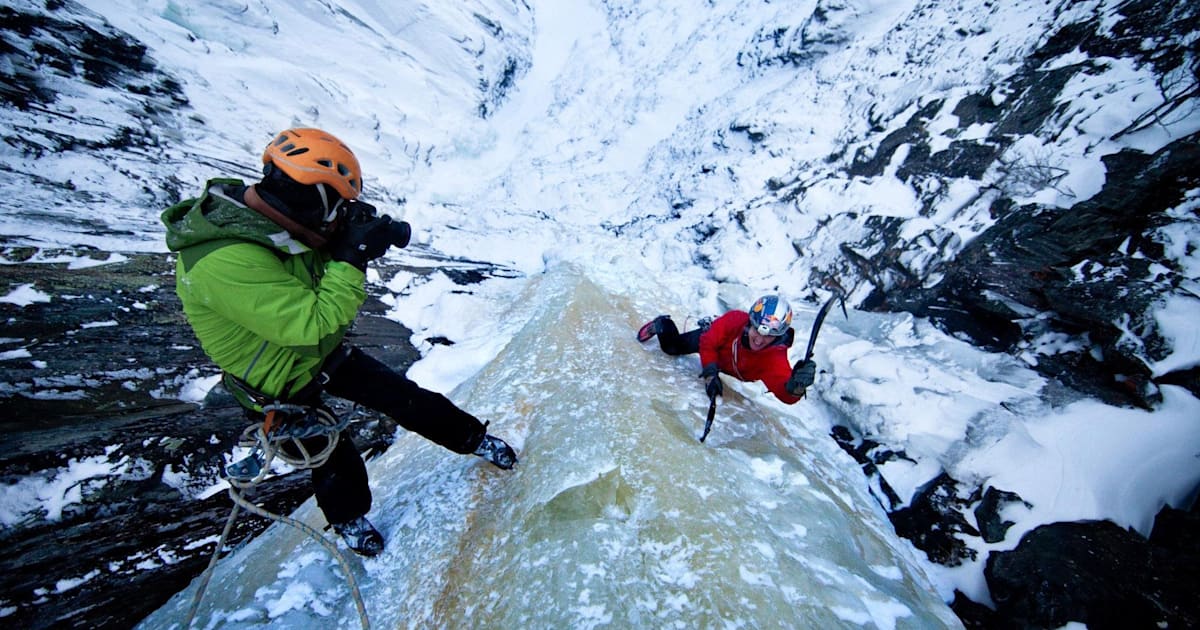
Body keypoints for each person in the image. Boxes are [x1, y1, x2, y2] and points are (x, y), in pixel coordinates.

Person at [162, 127, 517, 557]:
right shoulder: (224, 260)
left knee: (403, 396)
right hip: (278, 381)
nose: (334, 219)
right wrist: (350, 257)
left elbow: (307, 263)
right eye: (334, 209)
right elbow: (311, 322)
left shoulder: (263, 224)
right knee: (331, 456)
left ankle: (473, 438)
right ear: (308, 199)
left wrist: (352, 239)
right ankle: (348, 517)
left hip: (315, 353)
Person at [637, 295, 817, 404]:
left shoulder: (774, 358)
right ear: (750, 323)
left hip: (726, 362)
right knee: (671, 347)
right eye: (757, 330)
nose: (760, 340)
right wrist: (710, 373)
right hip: (714, 345)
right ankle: (661, 323)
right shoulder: (735, 320)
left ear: (778, 337)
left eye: (769, 336)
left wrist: (797, 387)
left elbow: (784, 393)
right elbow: (707, 342)